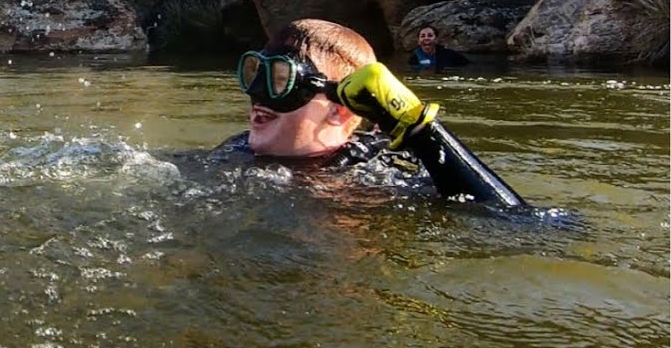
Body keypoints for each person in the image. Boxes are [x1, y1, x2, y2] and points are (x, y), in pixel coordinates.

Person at [211, 18, 523, 207]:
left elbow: (518, 226)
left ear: (339, 111)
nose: (257, 95)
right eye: (255, 73)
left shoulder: (377, 171)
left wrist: (421, 130)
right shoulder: (235, 151)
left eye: (280, 79)